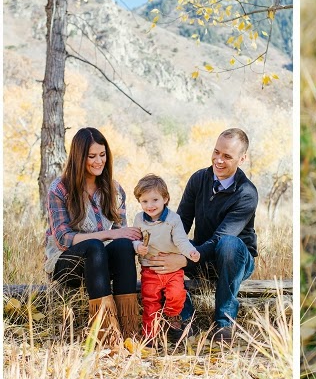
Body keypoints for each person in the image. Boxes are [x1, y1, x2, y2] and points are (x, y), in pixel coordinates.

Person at [140, 128, 258, 343]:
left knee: (228, 244)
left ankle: (224, 323)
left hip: (235, 259)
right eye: (216, 152)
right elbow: (180, 224)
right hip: (201, 253)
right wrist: (162, 248)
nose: (218, 160)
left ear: (242, 159)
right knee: (161, 258)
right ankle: (184, 319)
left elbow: (220, 238)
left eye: (227, 156)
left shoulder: (246, 193)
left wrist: (183, 259)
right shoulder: (199, 179)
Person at [44, 127, 141, 346]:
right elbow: (63, 239)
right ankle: (106, 336)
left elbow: (121, 234)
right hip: (67, 264)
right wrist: (109, 234)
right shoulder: (60, 189)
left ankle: (129, 332)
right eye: (92, 156)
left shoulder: (114, 190)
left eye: (102, 155)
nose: (99, 161)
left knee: (124, 246)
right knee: (95, 246)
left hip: (101, 264)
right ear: (79, 157)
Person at [131, 174, 200, 341]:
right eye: (144, 201)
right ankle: (150, 335)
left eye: (155, 200)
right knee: (150, 301)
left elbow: (181, 240)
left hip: (172, 269)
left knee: (176, 294)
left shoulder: (173, 219)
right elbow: (135, 238)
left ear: (165, 199)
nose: (150, 205)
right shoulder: (139, 219)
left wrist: (191, 252)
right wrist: (137, 247)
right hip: (150, 269)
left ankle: (171, 316)